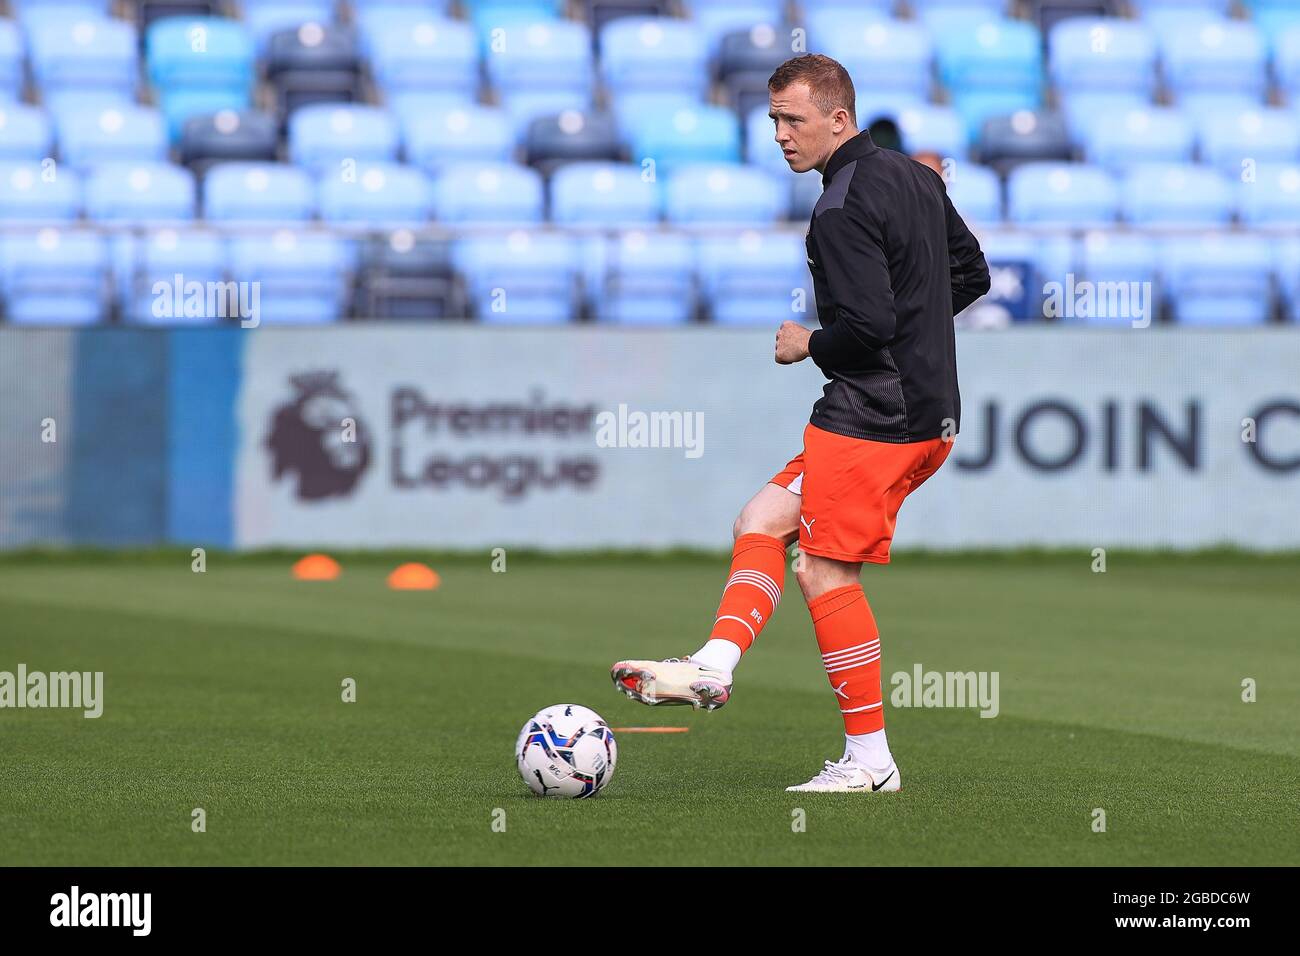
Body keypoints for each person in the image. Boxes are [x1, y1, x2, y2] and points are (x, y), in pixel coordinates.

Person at [611, 54, 991, 793]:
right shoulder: (918, 177)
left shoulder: (840, 207)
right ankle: (714, 664)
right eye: (774, 120)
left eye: (794, 119)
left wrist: (807, 343)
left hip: (876, 419)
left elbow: (869, 326)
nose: (780, 134)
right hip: (922, 410)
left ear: (838, 118)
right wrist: (915, 336)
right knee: (761, 518)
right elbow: (970, 273)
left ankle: (870, 762)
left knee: (822, 570)